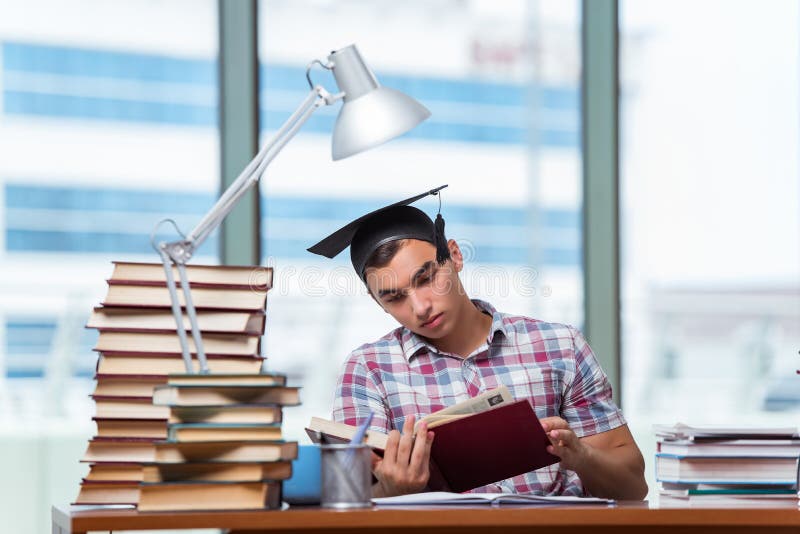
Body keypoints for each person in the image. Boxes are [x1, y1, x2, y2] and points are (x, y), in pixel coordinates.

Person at [307, 185, 647, 500]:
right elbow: (345, 501)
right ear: (377, 301)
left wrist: (581, 456)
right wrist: (392, 489)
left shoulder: (561, 346)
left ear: (455, 256)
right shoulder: (368, 370)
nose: (420, 307)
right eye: (395, 298)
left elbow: (633, 487)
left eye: (427, 278)